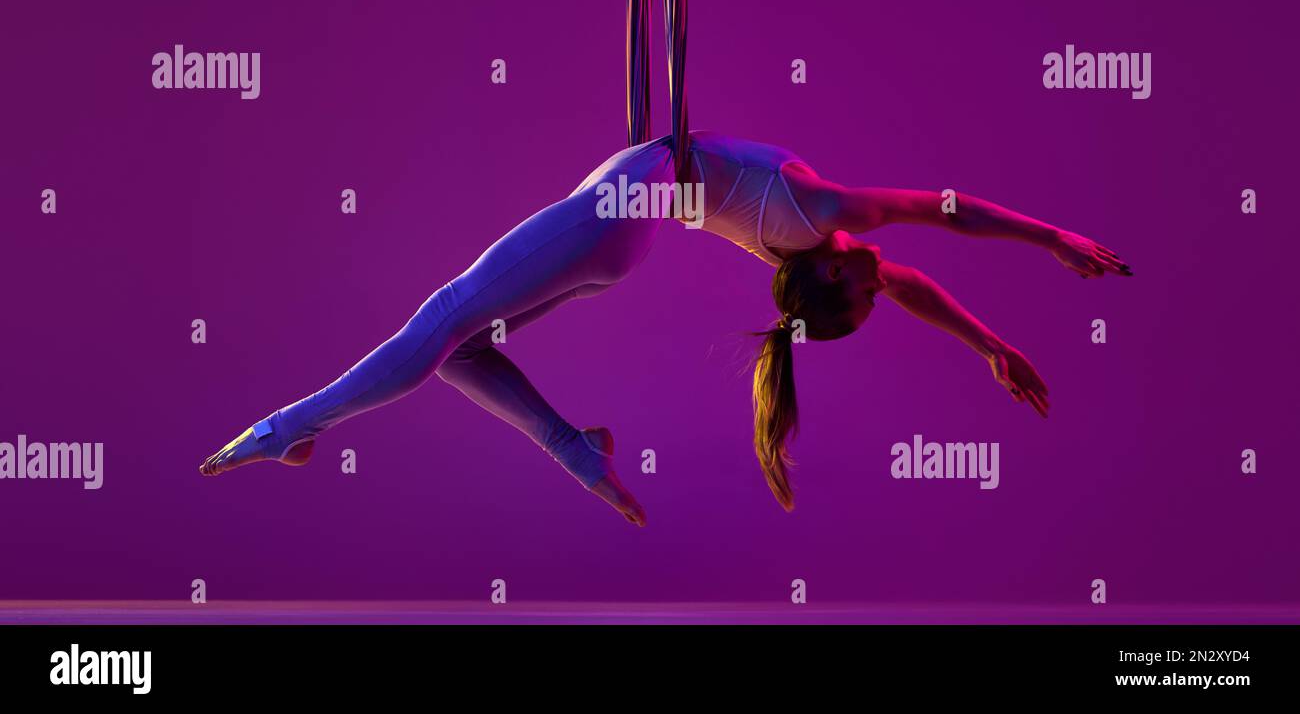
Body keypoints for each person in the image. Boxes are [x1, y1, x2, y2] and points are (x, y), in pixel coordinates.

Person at [199, 131, 1130, 524]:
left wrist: (1047, 243)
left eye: (867, 292)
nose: (882, 283)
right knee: (460, 344)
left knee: (442, 317)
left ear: (833, 276)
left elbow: (940, 213)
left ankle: (288, 427)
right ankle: (575, 451)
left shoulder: (821, 212)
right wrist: (996, 336)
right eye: (874, 292)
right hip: (620, 232)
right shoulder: (806, 245)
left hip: (618, 212)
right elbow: (923, 255)